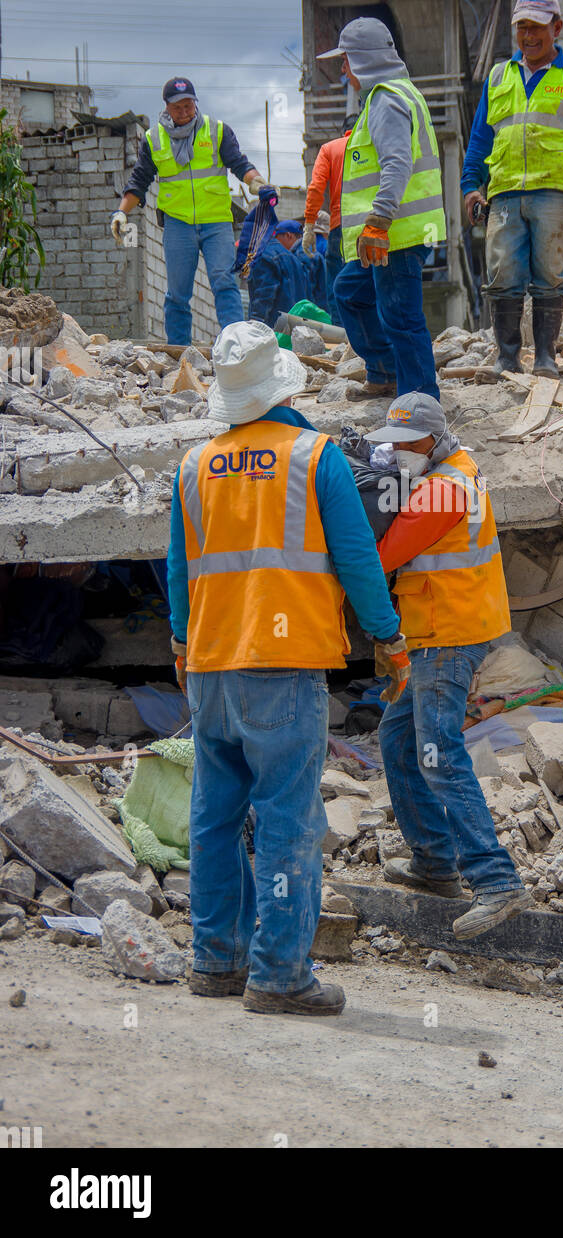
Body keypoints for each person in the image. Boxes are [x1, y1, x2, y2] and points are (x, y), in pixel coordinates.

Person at [167, 320, 409, 1015]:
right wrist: (388, 640)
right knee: (285, 819)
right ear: (281, 386)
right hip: (283, 663)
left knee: (214, 816)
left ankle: (216, 961)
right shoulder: (315, 457)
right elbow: (360, 561)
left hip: (211, 665)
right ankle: (278, 975)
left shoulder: (194, 467)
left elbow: (180, 572)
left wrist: (184, 648)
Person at [365, 392, 533, 940]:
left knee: (438, 754)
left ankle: (495, 879)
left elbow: (383, 556)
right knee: (397, 741)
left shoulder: (440, 490)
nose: (397, 454)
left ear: (434, 441)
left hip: (447, 634)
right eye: (391, 445)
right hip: (441, 628)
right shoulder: (458, 467)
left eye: (407, 445)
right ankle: (435, 863)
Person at [461, 0, 563, 378]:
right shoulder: (497, 77)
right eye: (522, 27)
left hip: (555, 192)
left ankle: (545, 358)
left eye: (537, 27)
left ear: (556, 28)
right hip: (505, 191)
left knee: (549, 275)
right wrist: (470, 186)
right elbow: (480, 138)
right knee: (502, 273)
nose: (528, 35)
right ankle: (507, 358)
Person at [318, 19, 444, 401]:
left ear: (362, 59)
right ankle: (386, 373)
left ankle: (420, 402)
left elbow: (396, 163)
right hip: (388, 235)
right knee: (350, 292)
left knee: (401, 319)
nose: (343, 70)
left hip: (395, 234)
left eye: (346, 61)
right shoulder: (386, 96)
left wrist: (378, 222)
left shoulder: (387, 100)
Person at [111, 77, 278, 345]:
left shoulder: (216, 131)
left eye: (189, 105)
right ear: (167, 106)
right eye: (178, 107)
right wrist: (121, 213)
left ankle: (237, 347)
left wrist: (258, 183)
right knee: (177, 293)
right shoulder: (155, 139)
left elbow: (239, 164)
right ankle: (179, 352)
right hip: (178, 224)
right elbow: (138, 181)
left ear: (195, 103)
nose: (185, 112)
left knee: (225, 282)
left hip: (217, 222)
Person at [302, 124, 353, 324]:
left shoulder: (331, 148)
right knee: (372, 281)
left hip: (341, 224)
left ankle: (342, 335)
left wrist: (309, 224)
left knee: (337, 283)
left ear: (343, 132)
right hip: (375, 225)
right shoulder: (375, 146)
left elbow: (316, 188)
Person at [247, 220, 311, 328]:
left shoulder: (265, 254)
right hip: (292, 329)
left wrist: (256, 321)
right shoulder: (294, 259)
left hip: (272, 328)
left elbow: (265, 291)